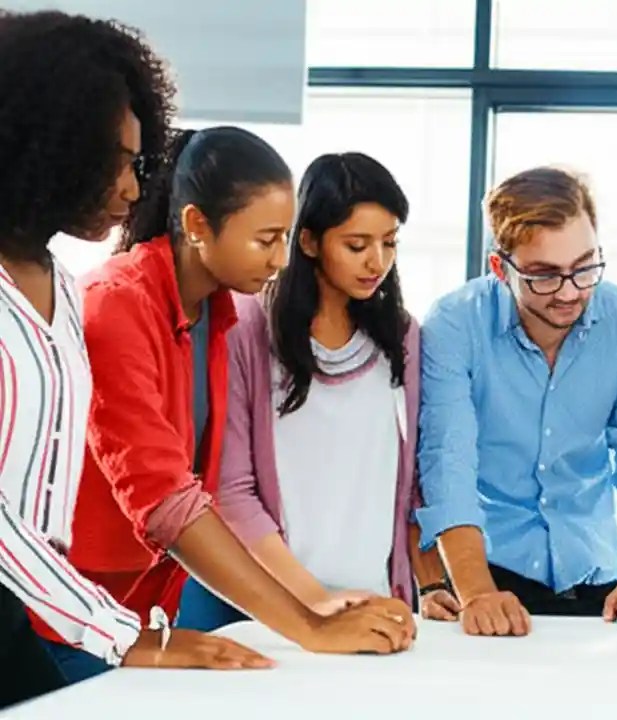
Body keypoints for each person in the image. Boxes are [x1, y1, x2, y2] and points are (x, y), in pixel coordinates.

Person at [38, 126, 415, 683]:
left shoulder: (219, 313)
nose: (281, 259)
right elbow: (162, 496)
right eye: (265, 240)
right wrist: (310, 625)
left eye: (285, 238)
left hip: (138, 606)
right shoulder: (116, 305)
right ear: (197, 226)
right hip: (64, 615)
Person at [0, 10, 273, 708]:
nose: (131, 188)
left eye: (137, 164)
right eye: (117, 162)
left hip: (35, 620)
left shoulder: (62, 288)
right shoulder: (109, 298)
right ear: (47, 142)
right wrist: (124, 635)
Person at [176, 152, 438, 630]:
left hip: (376, 601)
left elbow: (412, 486)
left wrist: (430, 585)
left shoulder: (402, 336)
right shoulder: (246, 326)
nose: (377, 262)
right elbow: (231, 491)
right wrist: (317, 601)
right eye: (357, 245)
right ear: (310, 241)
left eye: (389, 242)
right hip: (268, 605)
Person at [416, 166, 617, 636]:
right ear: (500, 268)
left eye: (585, 267)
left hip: (597, 573)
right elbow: (448, 465)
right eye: (544, 276)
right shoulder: (453, 325)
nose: (570, 292)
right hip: (487, 570)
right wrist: (477, 593)